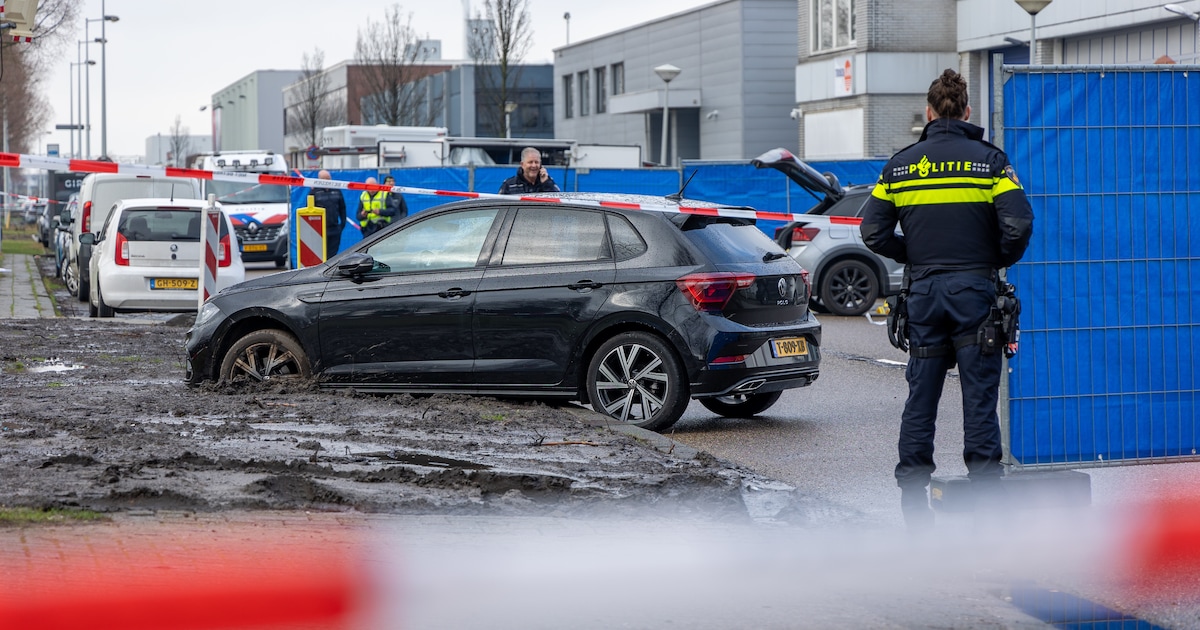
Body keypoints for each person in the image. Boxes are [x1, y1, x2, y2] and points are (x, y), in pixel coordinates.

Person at [858, 69, 1034, 532]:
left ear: (930, 113)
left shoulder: (900, 166)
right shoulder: (990, 162)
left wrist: (913, 254)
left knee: (922, 397)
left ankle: (914, 506)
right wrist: (993, 259)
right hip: (974, 294)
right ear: (967, 111)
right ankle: (987, 508)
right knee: (979, 399)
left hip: (923, 295)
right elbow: (1019, 224)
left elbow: (872, 231)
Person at [310, 170, 347, 255]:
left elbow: (342, 208)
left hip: (334, 229)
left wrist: (342, 225)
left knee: (332, 255)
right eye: (324, 178)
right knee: (320, 254)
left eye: (328, 178)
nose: (327, 180)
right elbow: (310, 211)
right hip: (320, 229)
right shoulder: (314, 192)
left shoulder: (337, 191)